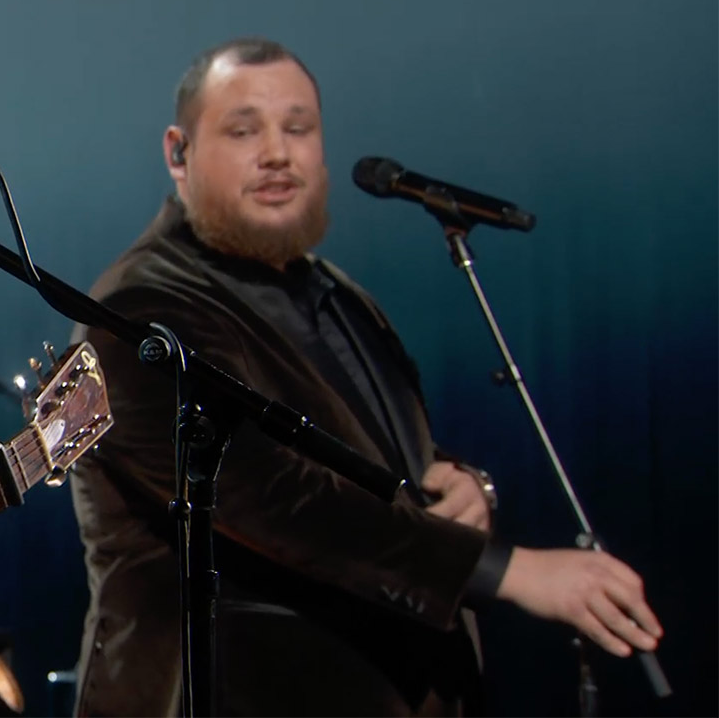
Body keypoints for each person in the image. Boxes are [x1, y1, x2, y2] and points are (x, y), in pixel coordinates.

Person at [67, 37, 663, 716]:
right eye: (243, 130)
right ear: (178, 153)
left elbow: (375, 461)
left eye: (298, 128)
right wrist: (508, 571)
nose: (277, 153)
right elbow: (274, 496)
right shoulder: (136, 311)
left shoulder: (340, 296)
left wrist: (463, 483)